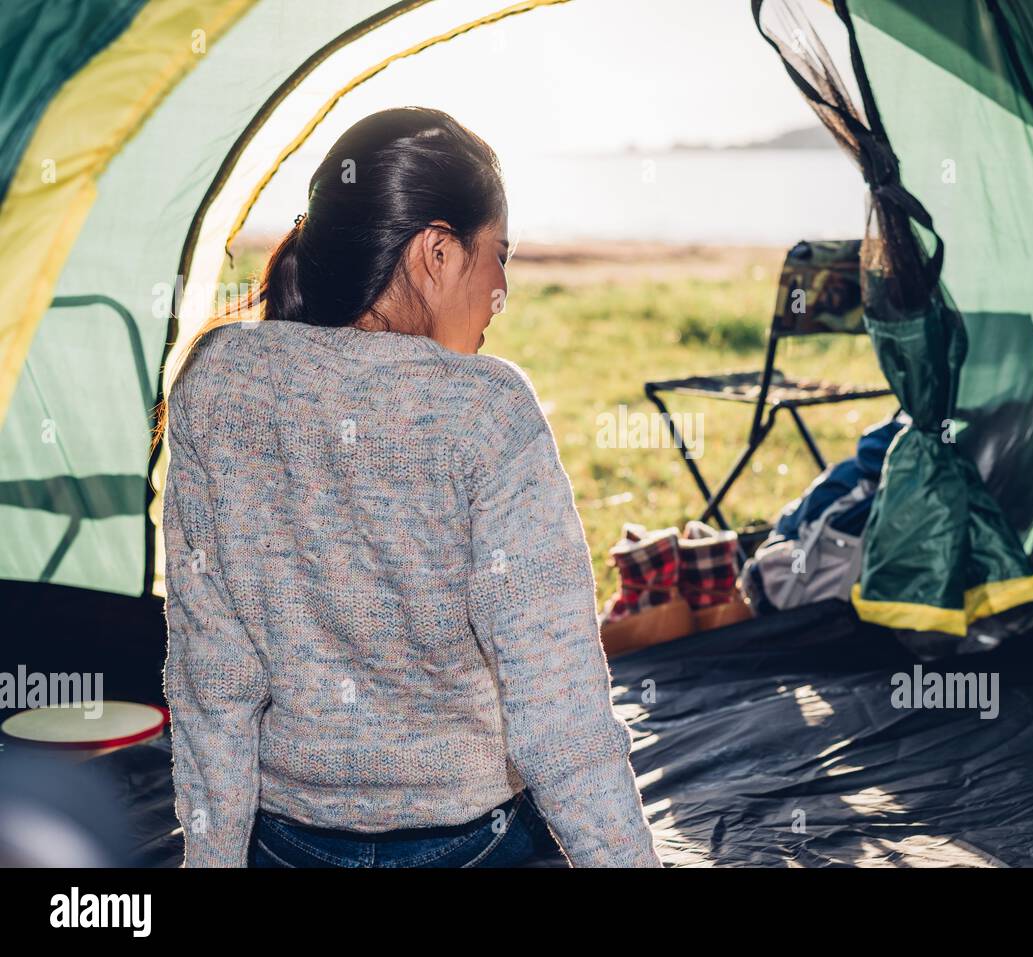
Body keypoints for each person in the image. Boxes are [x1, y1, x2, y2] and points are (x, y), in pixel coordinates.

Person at [152, 107, 662, 868]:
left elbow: (212, 681)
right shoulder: (487, 410)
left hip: (286, 843)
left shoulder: (216, 382)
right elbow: (558, 713)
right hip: (470, 846)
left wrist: (212, 859)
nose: (502, 288)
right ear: (436, 251)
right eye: (498, 255)